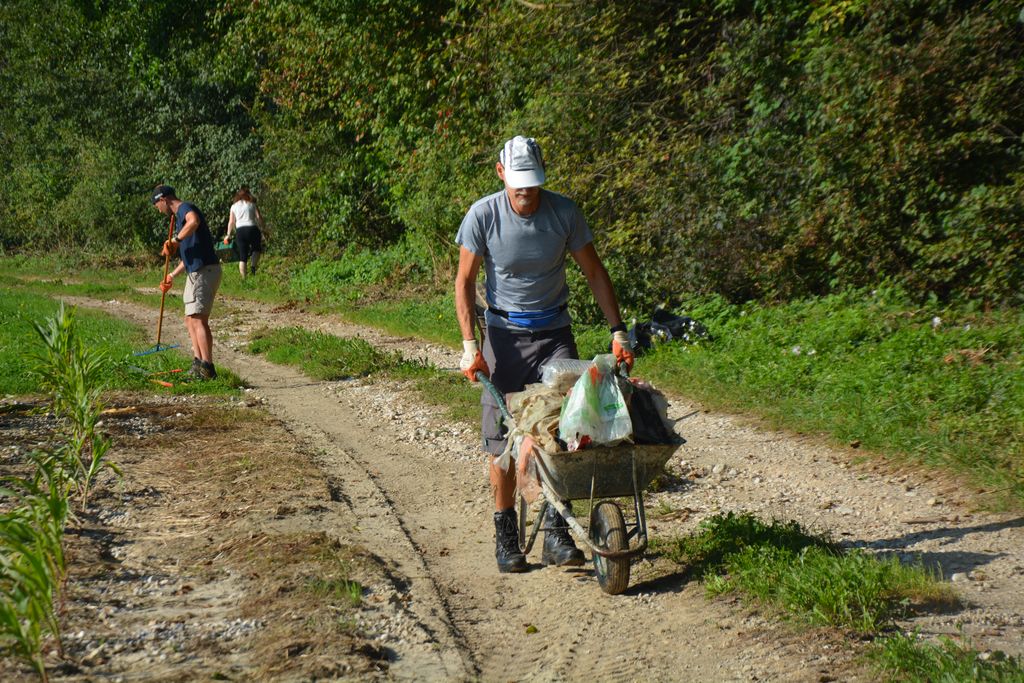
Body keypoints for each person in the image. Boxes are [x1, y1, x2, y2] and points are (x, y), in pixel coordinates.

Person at [454, 136, 635, 573]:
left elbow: (594, 271)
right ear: (501, 173)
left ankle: (556, 532)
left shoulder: (563, 213)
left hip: (555, 334)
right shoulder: (483, 215)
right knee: (501, 439)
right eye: (518, 183)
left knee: (568, 428)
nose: (525, 192)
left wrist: (619, 332)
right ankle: (506, 535)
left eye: (532, 183)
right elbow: (464, 281)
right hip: (504, 338)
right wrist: (470, 348)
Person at [151, 185, 223, 380]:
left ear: (163, 199)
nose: (158, 210)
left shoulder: (184, 209)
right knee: (190, 319)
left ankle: (208, 368)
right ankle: (198, 363)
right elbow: (188, 256)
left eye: (156, 205)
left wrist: (175, 240)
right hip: (195, 271)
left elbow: (194, 221)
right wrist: (171, 276)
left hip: (204, 270)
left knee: (198, 319)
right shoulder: (179, 221)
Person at [224, 186, 267, 279]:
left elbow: (231, 222)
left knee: (242, 256)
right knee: (257, 249)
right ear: (248, 195)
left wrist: (228, 234)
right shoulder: (252, 204)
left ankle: (244, 279)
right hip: (252, 229)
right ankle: (253, 267)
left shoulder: (234, 206)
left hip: (240, 231)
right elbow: (259, 217)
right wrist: (263, 228)